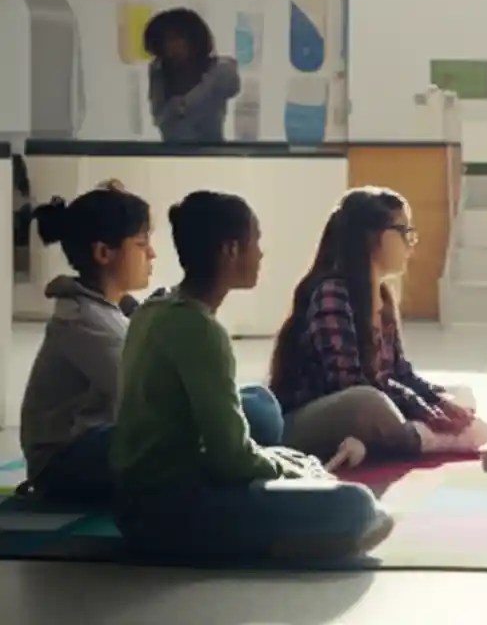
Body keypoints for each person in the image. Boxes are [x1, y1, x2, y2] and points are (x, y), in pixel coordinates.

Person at [110, 191, 390, 561]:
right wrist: (293, 470)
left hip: (134, 502)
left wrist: (285, 460)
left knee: (261, 406)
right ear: (230, 250)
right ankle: (283, 541)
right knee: (354, 504)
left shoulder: (155, 308)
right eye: (255, 242)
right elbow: (231, 459)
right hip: (168, 513)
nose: (260, 254)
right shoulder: (200, 330)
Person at [16, 183, 283, 505]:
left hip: (109, 438)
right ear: (104, 253)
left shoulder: (124, 310)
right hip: (67, 462)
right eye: (141, 244)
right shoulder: (83, 322)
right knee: (248, 417)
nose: (152, 253)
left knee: (257, 403)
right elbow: (143, 403)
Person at [270, 187, 487, 467]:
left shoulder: (382, 297)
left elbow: (400, 371)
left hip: (374, 406)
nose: (412, 243)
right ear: (376, 236)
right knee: (368, 403)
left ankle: (381, 441)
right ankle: (421, 438)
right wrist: (419, 407)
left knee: (460, 395)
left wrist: (438, 400)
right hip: (316, 416)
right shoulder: (332, 293)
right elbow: (347, 384)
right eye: (405, 231)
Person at [143, 8, 240, 142]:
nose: (172, 47)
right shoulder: (159, 71)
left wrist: (181, 105)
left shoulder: (221, 70)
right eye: (166, 41)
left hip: (213, 154)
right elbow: (161, 118)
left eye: (177, 38)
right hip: (172, 155)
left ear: (194, 39)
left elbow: (232, 85)